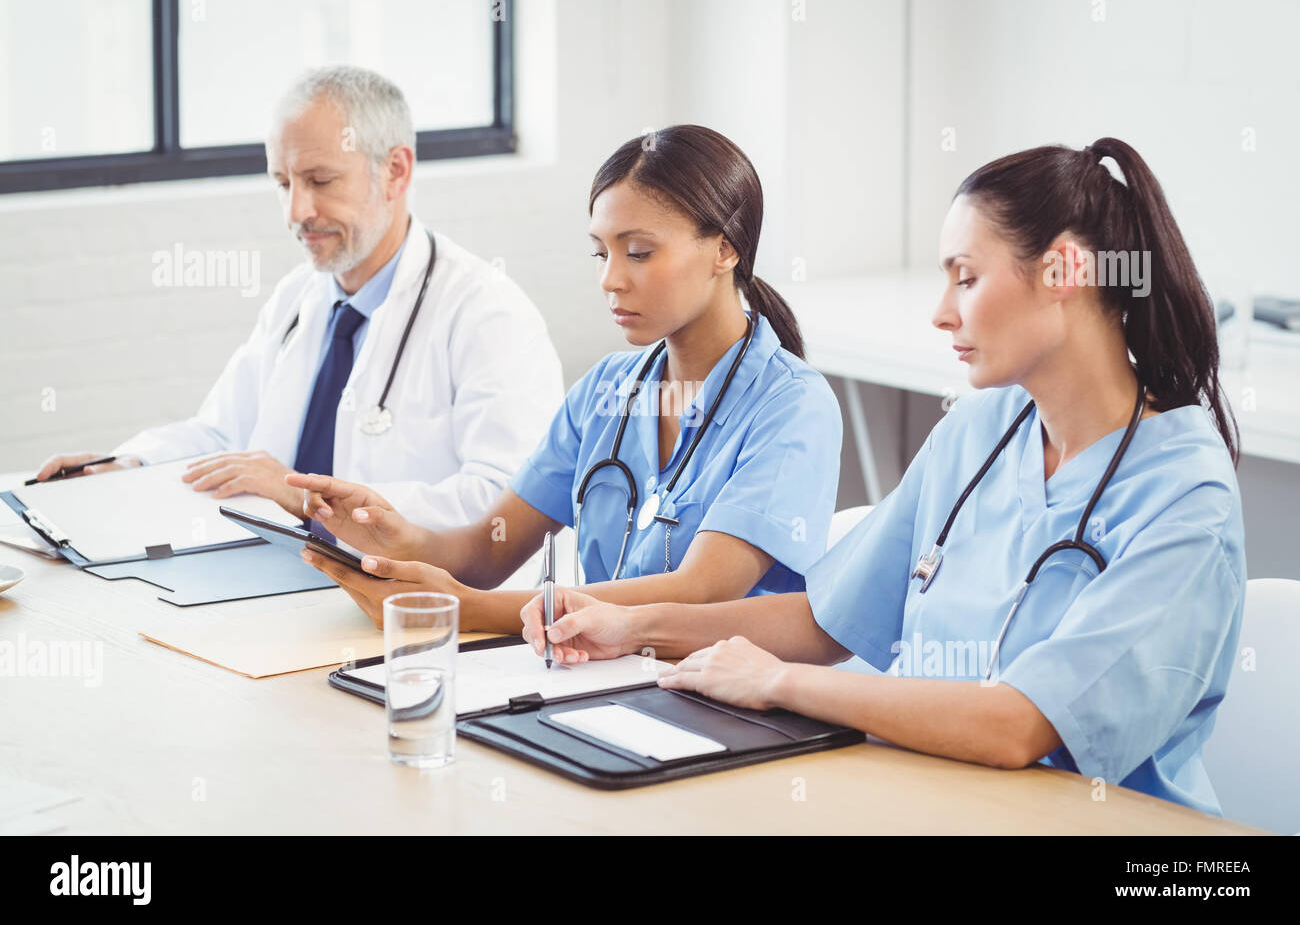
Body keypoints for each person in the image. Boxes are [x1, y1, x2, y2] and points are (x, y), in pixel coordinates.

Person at [522, 137, 1247, 815]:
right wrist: (625, 627)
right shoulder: (977, 433)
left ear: (1063, 272)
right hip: (937, 803)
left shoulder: (1185, 498)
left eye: (966, 278)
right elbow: (823, 617)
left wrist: (779, 682)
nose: (940, 313)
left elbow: (1019, 725)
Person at [293, 125, 843, 633]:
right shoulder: (607, 390)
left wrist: (469, 610)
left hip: (735, 699)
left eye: (639, 253)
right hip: (604, 677)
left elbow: (701, 592)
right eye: (601, 253)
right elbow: (488, 551)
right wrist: (397, 537)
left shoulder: (792, 406)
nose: (611, 279)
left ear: (725, 248)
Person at [32, 65, 563, 529]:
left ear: (396, 170)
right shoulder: (299, 299)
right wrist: (127, 466)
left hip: (416, 600)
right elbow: (222, 433)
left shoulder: (487, 313)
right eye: (283, 183)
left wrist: (309, 499)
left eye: (320, 180)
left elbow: (505, 505)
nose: (297, 212)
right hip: (286, 572)